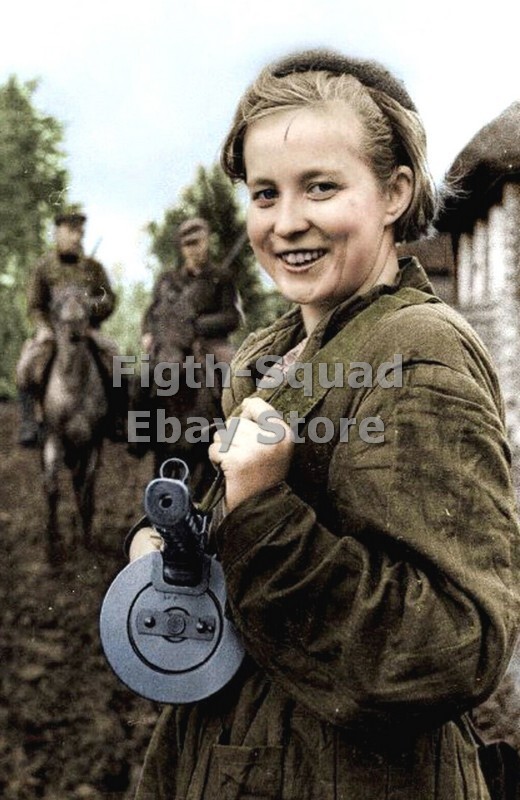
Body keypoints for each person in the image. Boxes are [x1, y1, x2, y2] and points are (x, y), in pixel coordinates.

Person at [125, 49, 520, 799]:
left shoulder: (417, 353)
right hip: (242, 754)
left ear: (395, 192)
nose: (286, 222)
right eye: (265, 193)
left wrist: (263, 511)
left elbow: (456, 646)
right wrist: (178, 549)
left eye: (321, 187)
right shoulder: (275, 355)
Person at [16, 207, 120, 446]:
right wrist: (43, 328)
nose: (76, 237)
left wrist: (89, 308)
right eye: (71, 231)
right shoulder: (44, 267)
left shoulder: (93, 268)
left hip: (86, 331)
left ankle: (116, 419)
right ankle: (29, 423)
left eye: (80, 232)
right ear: (58, 233)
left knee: (116, 358)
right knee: (25, 366)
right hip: (52, 332)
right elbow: (34, 305)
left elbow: (109, 299)